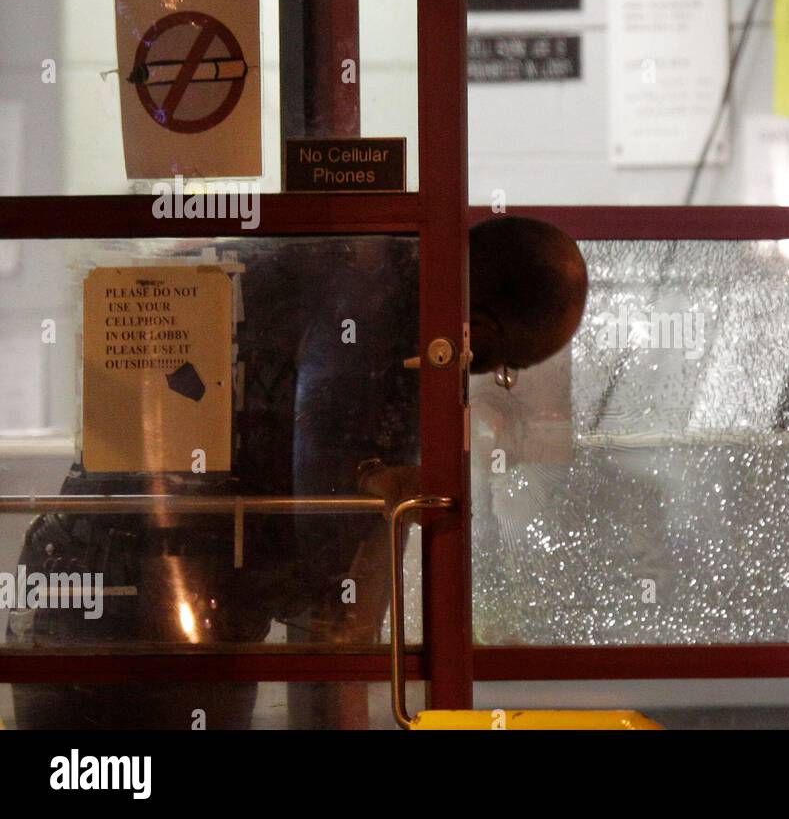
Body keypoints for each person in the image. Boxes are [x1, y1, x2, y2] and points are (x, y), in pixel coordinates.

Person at [6, 217, 588, 729]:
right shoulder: (379, 303)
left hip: (110, 579)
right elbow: (319, 463)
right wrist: (371, 505)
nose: (486, 376)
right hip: (152, 608)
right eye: (502, 365)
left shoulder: (367, 273)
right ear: (479, 327)